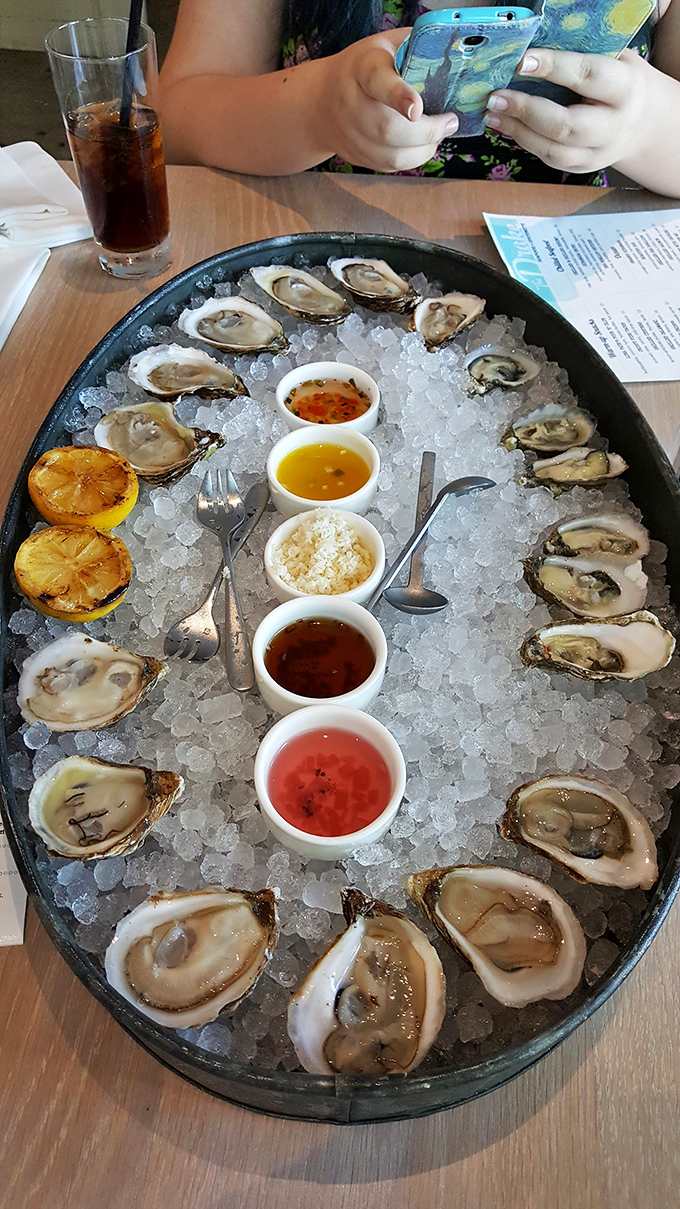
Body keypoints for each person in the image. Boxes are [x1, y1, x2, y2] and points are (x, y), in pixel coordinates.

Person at [159, 0, 680, 195]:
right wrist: (317, 109)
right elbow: (178, 123)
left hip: (573, 284)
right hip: (318, 247)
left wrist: (648, 127)